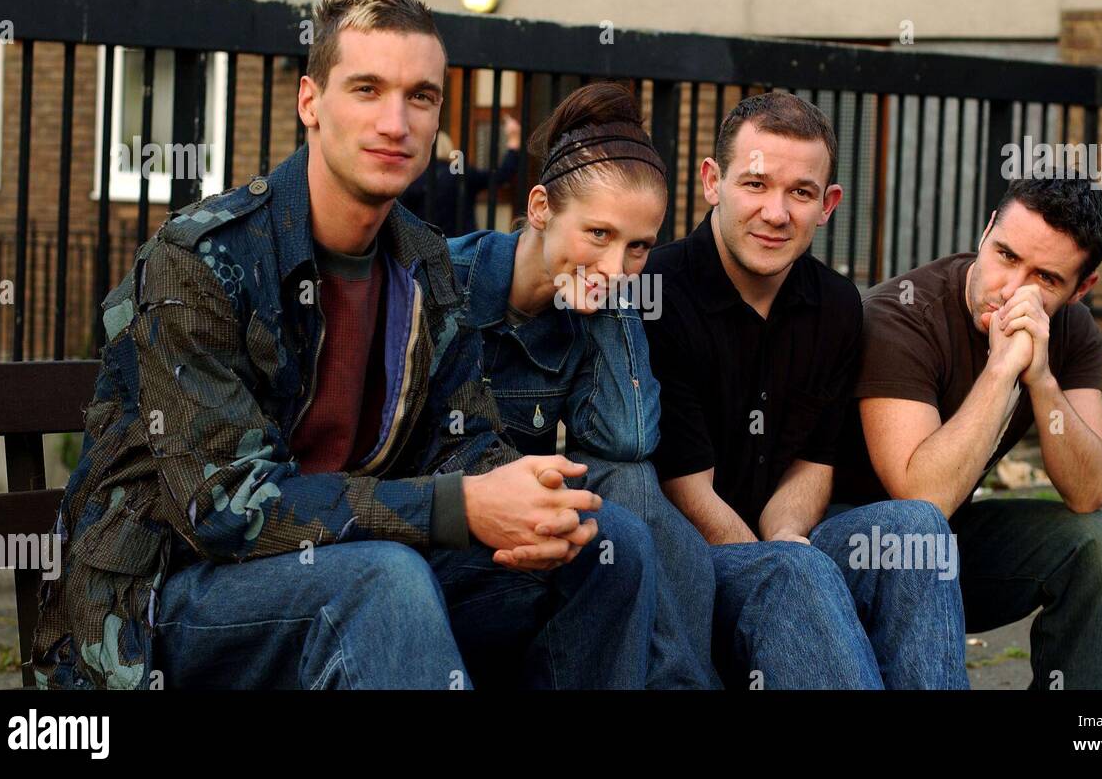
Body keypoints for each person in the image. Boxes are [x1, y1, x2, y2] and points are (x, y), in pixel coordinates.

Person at [30, 0, 660, 691]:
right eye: (367, 89)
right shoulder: (199, 261)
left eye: (420, 97)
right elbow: (227, 510)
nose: (397, 123)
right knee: (380, 580)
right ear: (311, 101)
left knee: (606, 540)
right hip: (167, 601)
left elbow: (464, 439)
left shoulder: (424, 262)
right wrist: (455, 508)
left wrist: (521, 498)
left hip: (351, 569)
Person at [644, 91, 969, 689]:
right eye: (756, 184)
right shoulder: (658, 290)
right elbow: (687, 492)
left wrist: (790, 539)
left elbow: (812, 465)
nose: (776, 213)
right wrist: (784, 560)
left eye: (800, 193)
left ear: (828, 204)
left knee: (917, 526)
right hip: (688, 562)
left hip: (784, 547)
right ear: (713, 182)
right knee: (792, 572)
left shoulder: (838, 305)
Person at [448, 81, 717, 688]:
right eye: (598, 233)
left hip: (540, 534)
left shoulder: (597, 305)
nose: (618, 265)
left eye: (639, 246)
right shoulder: (448, 277)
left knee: (631, 482)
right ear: (540, 207)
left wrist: (610, 306)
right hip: (449, 531)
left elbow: (629, 437)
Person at [833, 175, 1102, 690]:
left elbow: (1089, 493)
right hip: (845, 556)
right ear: (987, 229)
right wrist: (1001, 372)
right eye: (1006, 255)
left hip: (944, 550)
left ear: (1081, 289)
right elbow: (921, 497)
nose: (1011, 290)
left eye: (1046, 278)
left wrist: (1040, 379)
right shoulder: (901, 316)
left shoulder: (1072, 331)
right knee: (921, 530)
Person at [400, 115, 521, 236]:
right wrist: (513, 141)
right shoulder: (460, 173)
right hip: (462, 245)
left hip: (424, 244)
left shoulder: (414, 175)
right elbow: (500, 175)